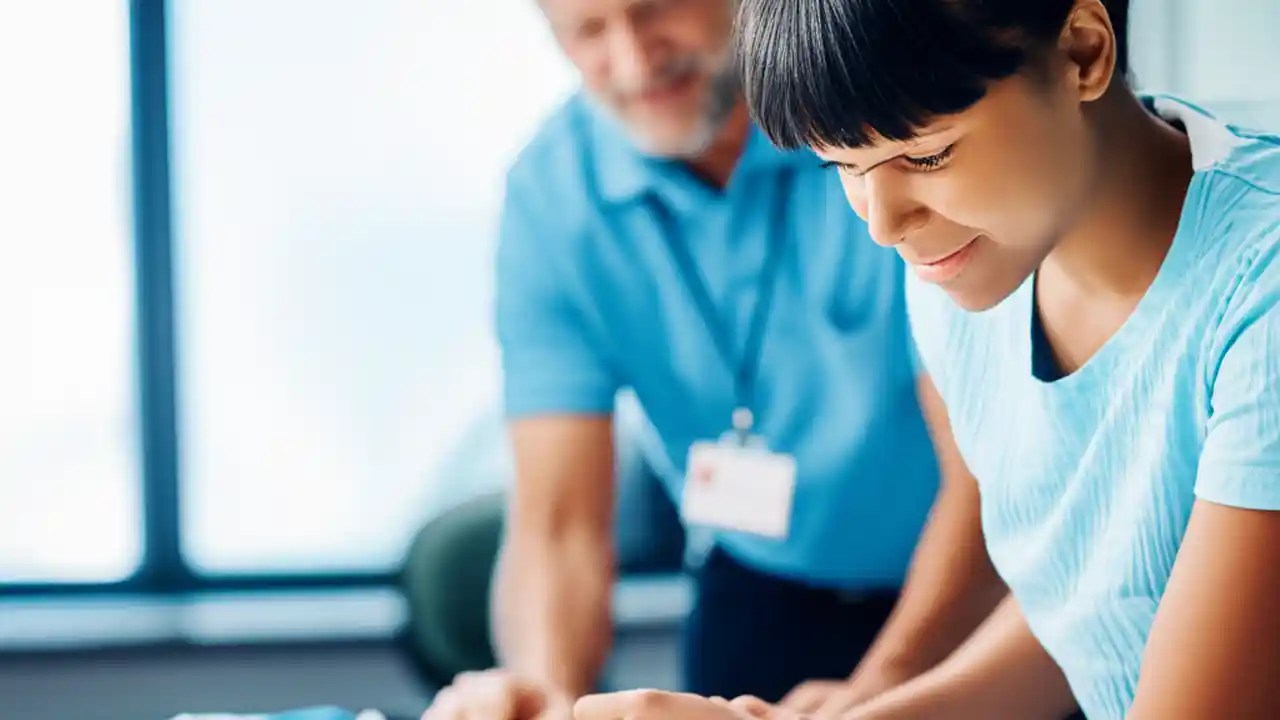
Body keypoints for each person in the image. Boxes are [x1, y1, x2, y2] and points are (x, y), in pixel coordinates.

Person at [571, 0, 1280, 718]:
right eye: (842, 167)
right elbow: (1095, 610)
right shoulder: (965, 273)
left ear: (1083, 54)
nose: (883, 225)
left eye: (928, 154)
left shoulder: (1262, 290)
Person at [422, 0, 1009, 718]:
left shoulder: (875, 130)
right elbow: (559, 524)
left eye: (655, 10)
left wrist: (879, 690)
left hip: (976, 578)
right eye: (589, 32)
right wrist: (547, 698)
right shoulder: (551, 197)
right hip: (766, 584)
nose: (637, 63)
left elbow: (984, 472)